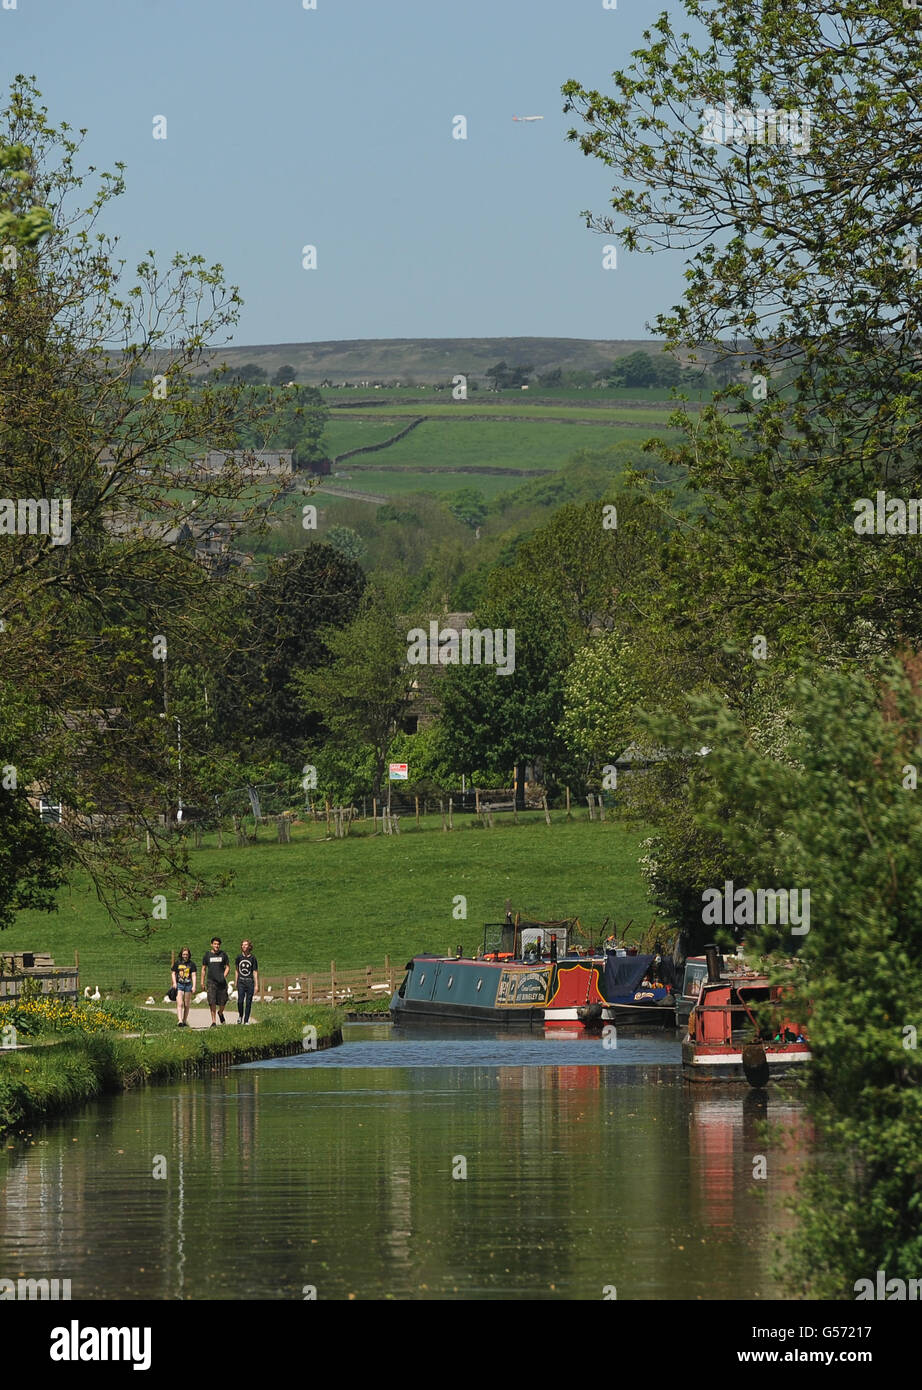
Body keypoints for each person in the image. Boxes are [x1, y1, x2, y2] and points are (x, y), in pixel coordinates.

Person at [202, 936, 230, 1026]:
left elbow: (228, 967)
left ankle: (220, 1013)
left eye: (218, 944)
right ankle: (213, 1021)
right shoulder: (207, 955)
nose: (216, 946)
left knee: (223, 1001)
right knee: (212, 1001)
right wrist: (202, 982)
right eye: (215, 944)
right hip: (211, 981)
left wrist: (223, 976)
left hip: (221, 982)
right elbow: (203, 969)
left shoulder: (223, 954)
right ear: (211, 944)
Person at [235, 940, 259, 1024]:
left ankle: (246, 1020)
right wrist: (236, 981)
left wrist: (256, 985)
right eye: (243, 945)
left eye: (246, 945)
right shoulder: (239, 957)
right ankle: (240, 1016)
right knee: (240, 1001)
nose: (244, 946)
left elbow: (255, 972)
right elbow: (237, 970)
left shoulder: (253, 958)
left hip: (250, 982)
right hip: (241, 982)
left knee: (248, 1001)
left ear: (249, 947)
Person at [172, 947, 196, 1028]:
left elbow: (193, 975)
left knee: (186, 1004)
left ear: (189, 955)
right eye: (183, 954)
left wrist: (194, 986)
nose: (185, 956)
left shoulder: (192, 964)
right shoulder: (177, 963)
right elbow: (173, 973)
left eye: (186, 954)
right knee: (180, 1003)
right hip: (180, 984)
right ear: (181, 955)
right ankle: (180, 1020)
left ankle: (185, 1020)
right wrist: (174, 983)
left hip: (188, 985)